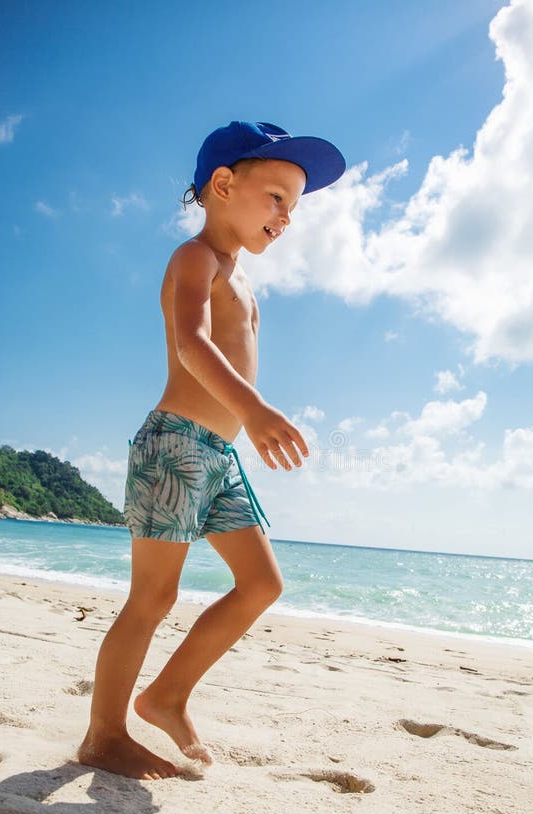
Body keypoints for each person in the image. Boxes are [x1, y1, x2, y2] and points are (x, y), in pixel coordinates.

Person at [78, 121, 346, 779]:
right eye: (277, 197)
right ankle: (103, 733)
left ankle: (166, 696)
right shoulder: (194, 258)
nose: (286, 217)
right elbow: (192, 344)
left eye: (295, 206)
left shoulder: (244, 278)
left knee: (261, 583)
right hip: (174, 444)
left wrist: (245, 422)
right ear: (222, 185)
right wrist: (254, 411)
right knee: (153, 597)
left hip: (217, 455)